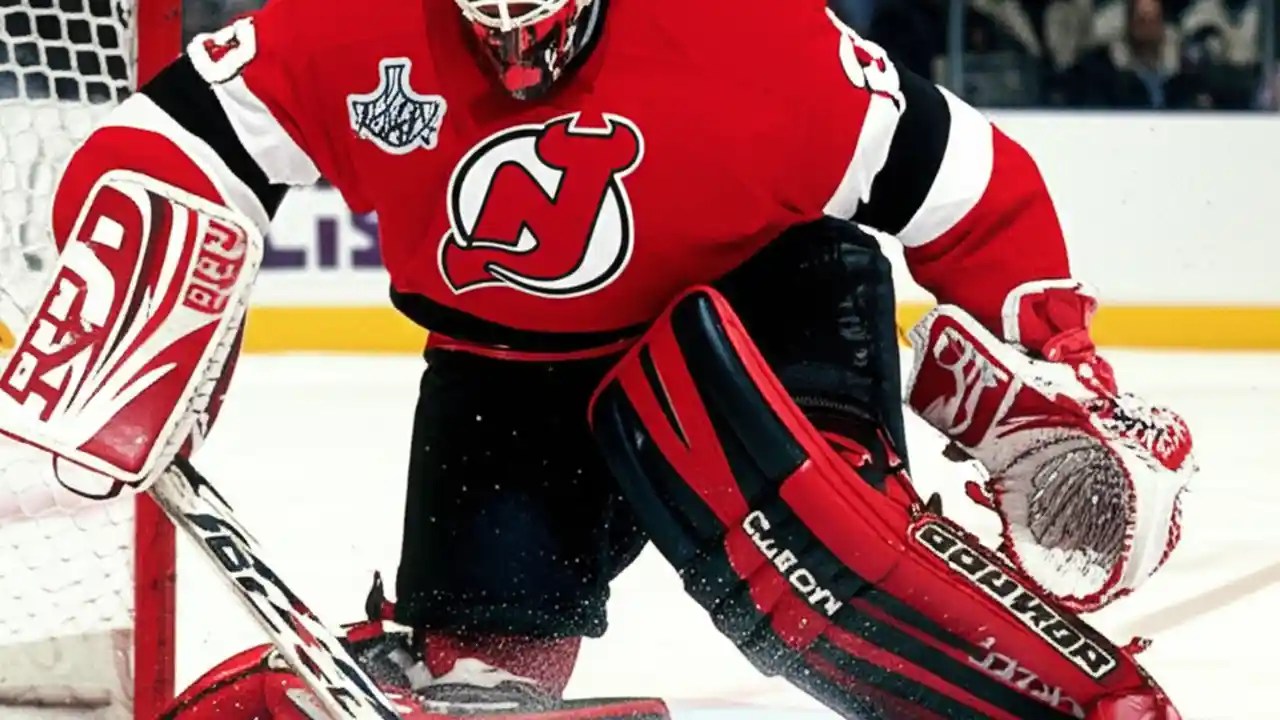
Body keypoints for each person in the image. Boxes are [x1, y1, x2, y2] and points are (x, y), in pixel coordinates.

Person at [0, 0, 1196, 717]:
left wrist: (1060, 349)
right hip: (500, 378)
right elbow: (182, 131)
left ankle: (1080, 699)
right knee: (480, 682)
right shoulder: (354, 27)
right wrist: (135, 278)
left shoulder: (753, 41)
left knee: (809, 557)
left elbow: (968, 183)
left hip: (742, 314)